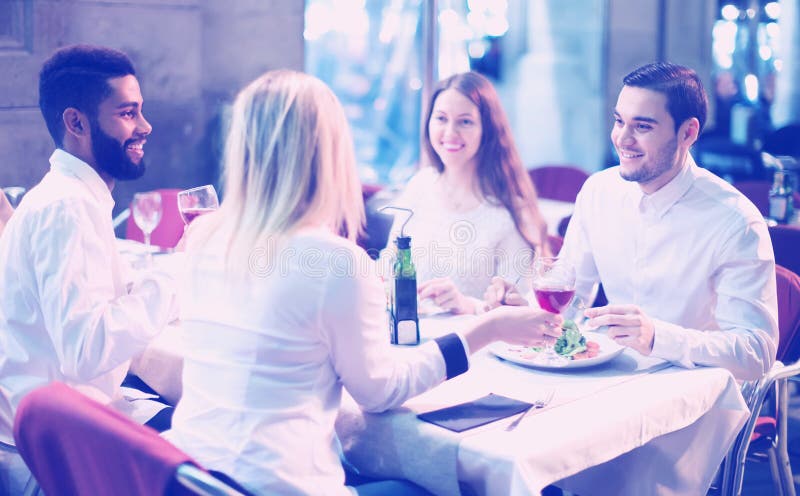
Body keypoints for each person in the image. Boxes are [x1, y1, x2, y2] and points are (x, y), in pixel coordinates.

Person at [163, 69, 562, 496]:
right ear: (326, 153)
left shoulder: (202, 236)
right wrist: (485, 329)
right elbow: (381, 392)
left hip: (195, 476)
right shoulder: (335, 263)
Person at [486, 62, 778, 381]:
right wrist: (527, 311)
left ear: (688, 133)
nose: (622, 139)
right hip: (609, 376)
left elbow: (756, 352)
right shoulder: (599, 191)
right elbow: (569, 296)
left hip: (695, 394)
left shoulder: (735, 221)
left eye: (642, 127)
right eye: (619, 121)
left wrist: (656, 337)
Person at [0, 44, 178, 493]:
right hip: (52, 454)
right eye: (127, 113)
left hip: (58, 425)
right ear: (76, 123)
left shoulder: (72, 196)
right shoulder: (67, 208)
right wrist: (176, 277)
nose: (145, 126)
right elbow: (85, 351)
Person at [381, 71, 549, 315]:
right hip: (410, 339)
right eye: (441, 118)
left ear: (487, 130)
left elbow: (521, 312)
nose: (450, 133)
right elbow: (388, 268)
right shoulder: (420, 185)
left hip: (474, 348)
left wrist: (466, 304)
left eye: (465, 121)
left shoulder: (510, 212)